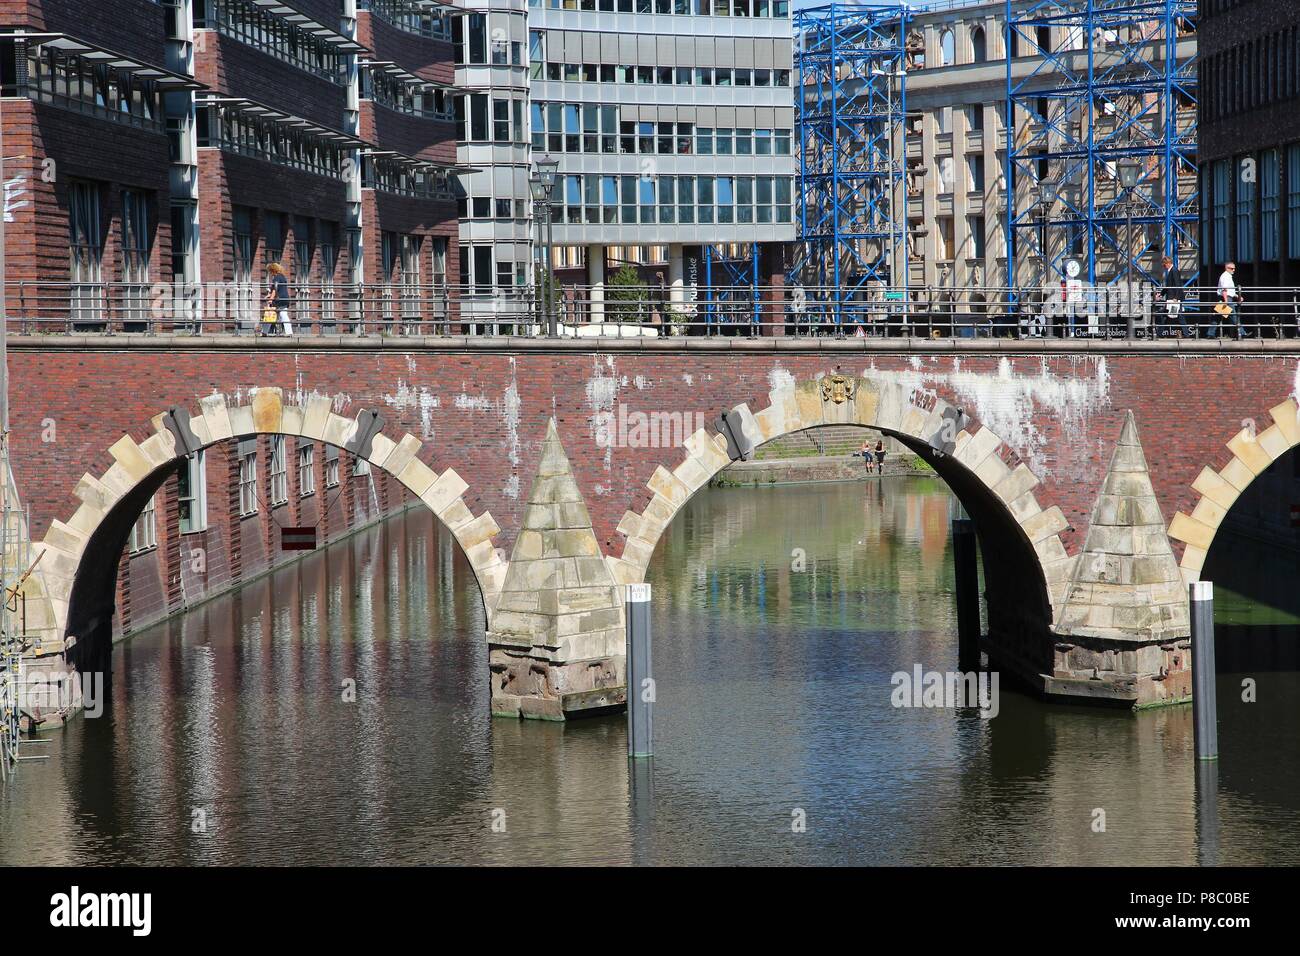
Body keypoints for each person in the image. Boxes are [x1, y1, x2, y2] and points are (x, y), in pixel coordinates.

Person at [1157, 255, 1190, 337]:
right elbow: (1169, 286)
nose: (1163, 266)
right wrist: (1161, 294)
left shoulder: (1174, 271)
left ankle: (1159, 334)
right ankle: (1185, 334)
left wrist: (1176, 297)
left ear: (1167, 263)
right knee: (1174, 315)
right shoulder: (1172, 271)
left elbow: (1177, 285)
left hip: (1174, 299)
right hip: (1173, 298)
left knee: (1172, 315)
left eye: (1164, 265)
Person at [1216, 261, 1243, 339]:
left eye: (1234, 268)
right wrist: (1226, 301)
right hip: (1226, 298)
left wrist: (1237, 296)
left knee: (1217, 317)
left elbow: (1230, 290)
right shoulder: (1225, 276)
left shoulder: (1228, 276)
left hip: (1226, 297)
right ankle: (1242, 332)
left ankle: (1210, 333)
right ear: (1226, 268)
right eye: (1232, 268)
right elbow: (1224, 289)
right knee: (1233, 315)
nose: (1233, 270)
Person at [266, 262, 293, 336]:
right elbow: (280, 288)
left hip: (279, 299)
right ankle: (289, 332)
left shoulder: (276, 278)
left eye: (270, 271)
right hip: (285, 298)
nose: (270, 273)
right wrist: (270, 295)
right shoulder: (282, 277)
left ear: (273, 270)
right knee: (283, 315)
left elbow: (275, 289)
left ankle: (264, 332)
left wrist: (270, 299)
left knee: (269, 315)